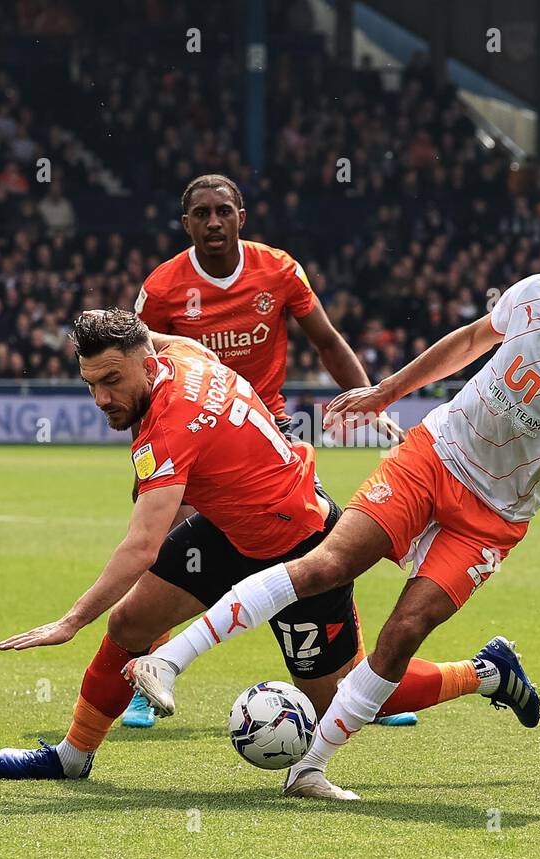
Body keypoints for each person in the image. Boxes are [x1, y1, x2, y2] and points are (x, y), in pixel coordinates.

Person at [129, 227, 540, 800]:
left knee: (402, 634)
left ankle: (309, 771)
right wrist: (385, 393)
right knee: (327, 565)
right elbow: (469, 341)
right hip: (432, 455)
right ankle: (170, 662)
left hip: (494, 514)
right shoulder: (539, 294)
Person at [0, 308, 539, 783]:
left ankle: (486, 672)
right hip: (229, 533)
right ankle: (73, 756)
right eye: (91, 385)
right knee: (129, 626)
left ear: (146, 365)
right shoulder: (179, 354)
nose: (102, 398)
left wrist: (70, 621)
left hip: (302, 544)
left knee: (351, 698)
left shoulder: (170, 430)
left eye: (111, 380)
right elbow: (180, 344)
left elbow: (141, 548)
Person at [120, 173, 406, 729]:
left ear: (241, 217)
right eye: (201, 214)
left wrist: (370, 403)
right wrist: (147, 454)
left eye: (223, 211)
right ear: (186, 224)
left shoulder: (278, 270)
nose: (213, 223)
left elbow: (326, 340)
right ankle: (142, 678)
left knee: (322, 539)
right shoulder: (161, 288)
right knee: (161, 551)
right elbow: (137, 372)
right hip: (189, 436)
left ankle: (356, 680)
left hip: (265, 432)